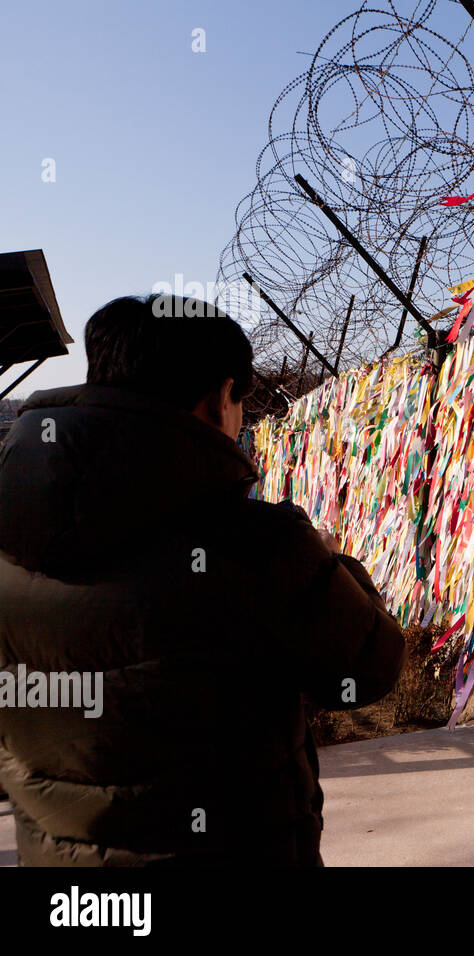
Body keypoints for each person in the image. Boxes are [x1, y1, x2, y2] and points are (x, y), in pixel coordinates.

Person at [0, 294, 405, 865]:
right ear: (219, 400)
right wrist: (335, 568)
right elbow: (367, 671)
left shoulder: (10, 540)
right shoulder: (257, 543)